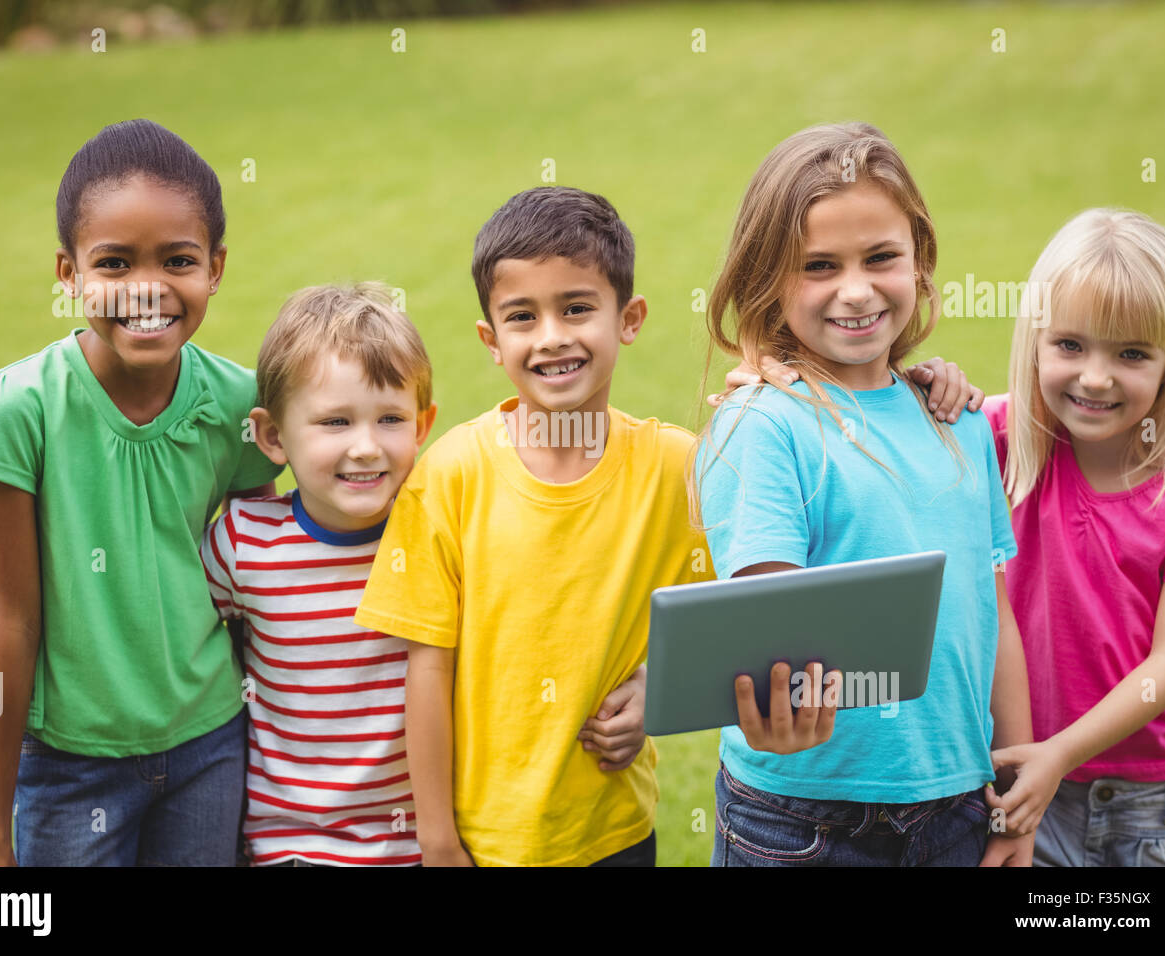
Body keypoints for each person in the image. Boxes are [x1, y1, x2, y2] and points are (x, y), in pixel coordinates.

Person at [353, 186, 837, 867]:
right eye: (523, 316)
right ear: (491, 340)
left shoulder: (678, 467)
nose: (552, 337)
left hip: (617, 835)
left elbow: (745, 618)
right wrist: (436, 839)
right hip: (484, 842)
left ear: (629, 318)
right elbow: (427, 669)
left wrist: (657, 693)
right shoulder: (451, 474)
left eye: (577, 307)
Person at [694, 121, 1034, 867]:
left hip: (956, 809)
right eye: (818, 266)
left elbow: (993, 611)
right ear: (766, 280)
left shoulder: (959, 421)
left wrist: (1014, 786)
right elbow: (767, 635)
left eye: (882, 257)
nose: (856, 290)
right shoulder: (762, 425)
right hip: (801, 823)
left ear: (919, 261)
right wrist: (774, 712)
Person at [0, 119, 283, 866]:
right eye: (113, 263)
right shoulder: (19, 410)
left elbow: (263, 584)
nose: (147, 289)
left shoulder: (243, 404)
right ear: (67, 273)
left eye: (177, 260)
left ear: (216, 267)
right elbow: (10, 622)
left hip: (210, 748)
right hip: (71, 763)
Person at [982, 208, 1165, 866]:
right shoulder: (994, 441)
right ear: (1035, 342)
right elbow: (876, 411)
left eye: (1131, 353)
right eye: (1070, 345)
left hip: (1155, 803)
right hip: (1020, 779)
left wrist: (1061, 753)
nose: (1096, 377)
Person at [200, 283, 437, 866]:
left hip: (422, 843)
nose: (365, 447)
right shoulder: (242, 542)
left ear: (422, 426)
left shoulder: (440, 536)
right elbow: (181, 658)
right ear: (274, 436)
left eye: (390, 419)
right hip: (292, 847)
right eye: (335, 422)